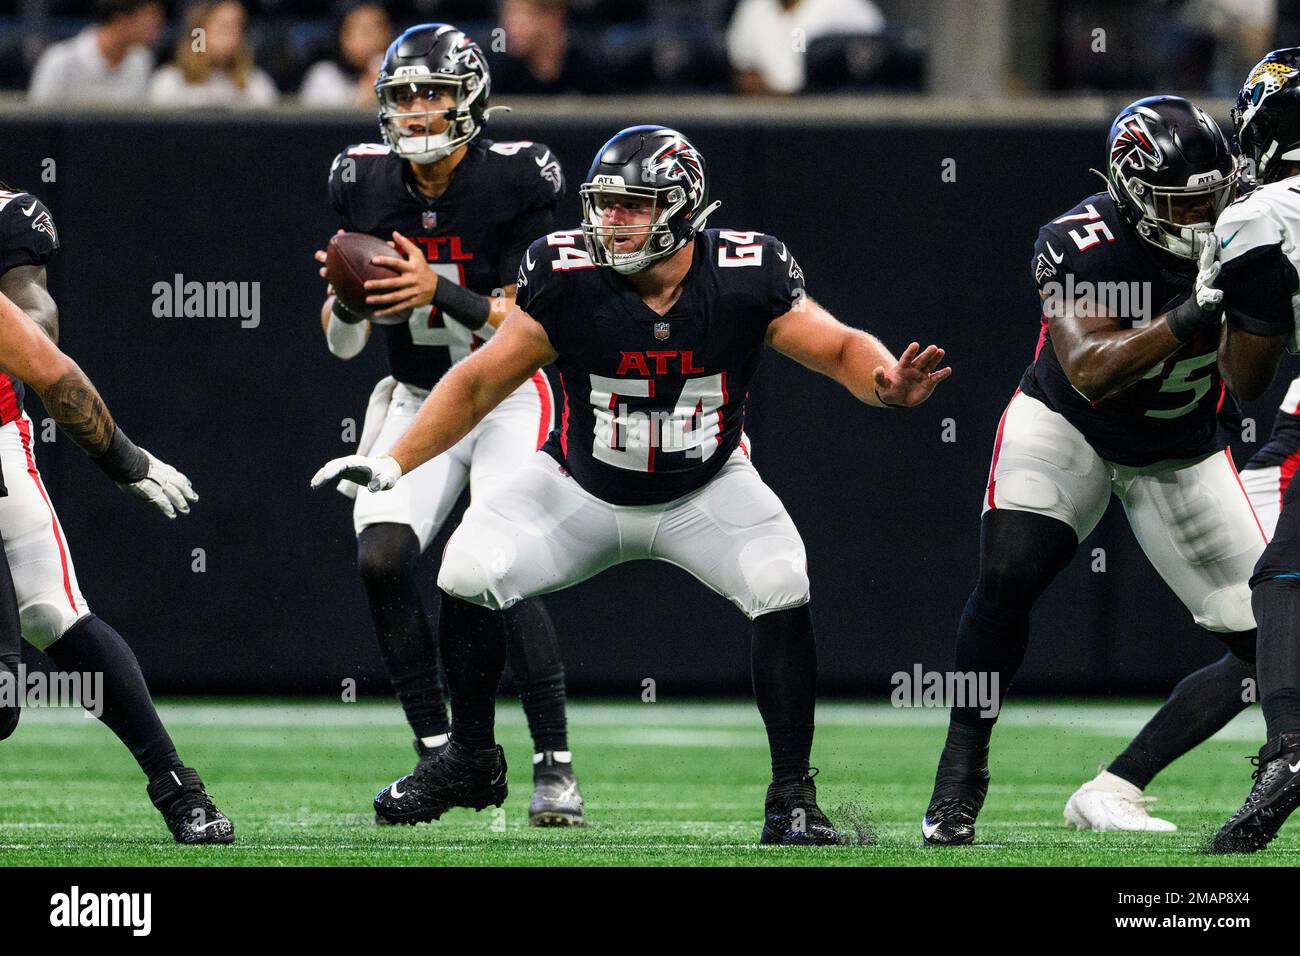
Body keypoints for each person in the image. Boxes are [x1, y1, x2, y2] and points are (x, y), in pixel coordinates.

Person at [312, 124, 951, 843]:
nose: (609, 221)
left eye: (632, 206)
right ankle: (470, 757)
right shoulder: (565, 272)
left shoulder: (747, 271)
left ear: (682, 207)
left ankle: (792, 796)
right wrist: (397, 462)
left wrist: (885, 383)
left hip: (705, 489)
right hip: (580, 488)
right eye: (605, 204)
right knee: (466, 566)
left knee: (782, 578)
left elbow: (835, 344)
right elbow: (479, 381)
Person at [920, 96, 1260, 846]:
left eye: (1215, 193)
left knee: (1271, 643)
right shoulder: (1083, 240)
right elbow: (1089, 370)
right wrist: (1193, 316)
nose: (1205, 213)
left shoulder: (1253, 222)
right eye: (1184, 201)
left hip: (1181, 445)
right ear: (1134, 194)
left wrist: (1256, 308)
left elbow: (1253, 374)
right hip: (1070, 423)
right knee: (1011, 573)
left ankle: (1116, 786)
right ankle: (961, 768)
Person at [312, 23, 582, 826]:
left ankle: (553, 761)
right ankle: (443, 753)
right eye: (402, 95)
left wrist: (439, 291)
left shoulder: (517, 180)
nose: (418, 109)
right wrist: (350, 301)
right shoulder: (360, 181)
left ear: (471, 99)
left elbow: (533, 321)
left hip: (509, 391)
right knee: (382, 557)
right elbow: (342, 341)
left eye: (433, 92)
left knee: (491, 561)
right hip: (418, 391)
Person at [0, 182, 230, 843]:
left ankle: (176, 785)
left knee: (45, 618)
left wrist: (126, 460)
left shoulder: (10, 222)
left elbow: (41, 351)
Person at [1201, 48, 1300, 853]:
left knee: (1282, 576)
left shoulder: (1259, 214)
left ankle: (1291, 750)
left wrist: (1218, 306)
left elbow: (1248, 379)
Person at [725, 0, 885, 95]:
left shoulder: (843, 5)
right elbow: (741, 69)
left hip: (827, 111)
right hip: (767, 116)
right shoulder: (753, 8)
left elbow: (882, 51)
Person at [28, 0, 164, 106]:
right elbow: (39, 125)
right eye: (150, 14)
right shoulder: (59, 60)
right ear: (121, 20)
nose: (158, 23)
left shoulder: (141, 60)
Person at [148, 1, 278, 109]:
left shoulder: (256, 83)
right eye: (224, 27)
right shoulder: (169, 81)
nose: (233, 35)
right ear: (198, 33)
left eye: (238, 26)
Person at [299, 3, 393, 108]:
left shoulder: (399, 73)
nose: (376, 38)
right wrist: (364, 96)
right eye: (366, 31)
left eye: (382, 29)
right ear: (344, 37)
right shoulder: (324, 76)